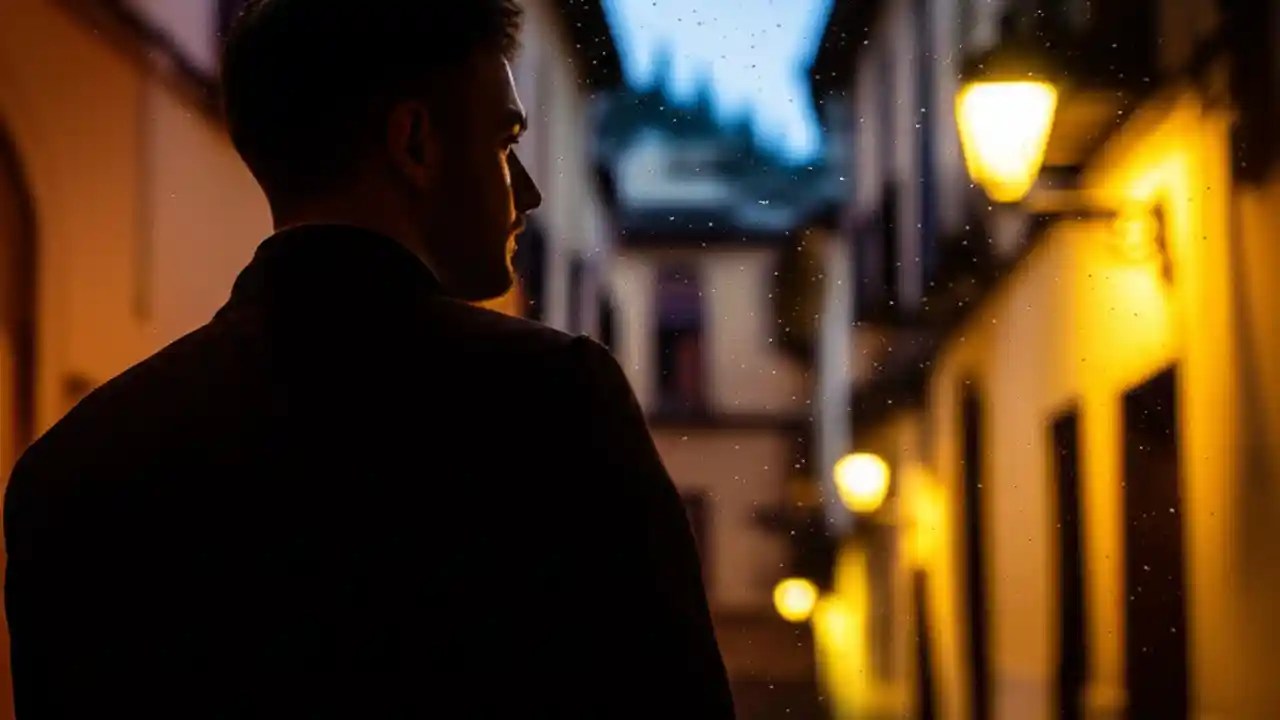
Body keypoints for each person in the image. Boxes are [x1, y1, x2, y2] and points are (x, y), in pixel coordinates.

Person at [3, 1, 734, 717]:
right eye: (504, 143)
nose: (529, 192)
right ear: (414, 142)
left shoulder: (71, 469)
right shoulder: (556, 405)